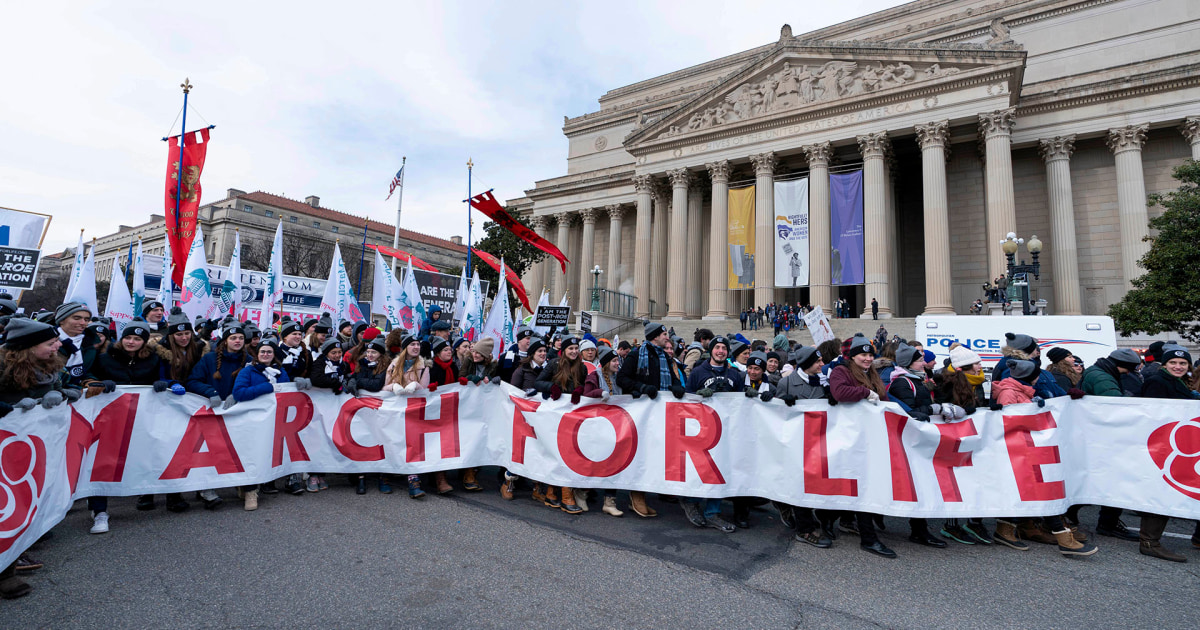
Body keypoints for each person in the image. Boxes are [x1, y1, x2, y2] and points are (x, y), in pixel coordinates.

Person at [0, 317, 73, 599]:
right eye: (50, 342)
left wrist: (63, 392)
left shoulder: (51, 365)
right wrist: (9, 407)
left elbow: (60, 386)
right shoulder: (2, 367)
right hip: (6, 444)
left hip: (25, 452)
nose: (57, 345)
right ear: (28, 347)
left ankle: (8, 565)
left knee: (19, 503)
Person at [828, 336, 896, 558]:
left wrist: (906, 413)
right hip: (849, 437)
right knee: (862, 485)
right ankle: (868, 538)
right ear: (852, 356)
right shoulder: (841, 371)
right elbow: (839, 393)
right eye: (863, 355)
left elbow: (884, 397)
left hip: (869, 437)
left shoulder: (871, 372)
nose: (867, 358)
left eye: (870, 355)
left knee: (861, 484)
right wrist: (864, 393)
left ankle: (832, 520)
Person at [886, 344, 950, 549]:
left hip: (921, 439)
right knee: (917, 483)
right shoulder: (902, 383)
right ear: (908, 363)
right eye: (919, 360)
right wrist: (934, 408)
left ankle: (920, 528)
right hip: (910, 440)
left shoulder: (917, 380)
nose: (924, 363)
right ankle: (919, 530)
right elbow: (910, 413)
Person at [142, 308, 207, 510]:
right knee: (157, 447)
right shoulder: (158, 350)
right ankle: (146, 492)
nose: (184, 337)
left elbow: (202, 372)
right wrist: (169, 382)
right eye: (179, 334)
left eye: (187, 333)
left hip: (189, 401)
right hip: (165, 402)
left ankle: (174, 494)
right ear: (171, 334)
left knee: (180, 449)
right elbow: (155, 374)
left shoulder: (199, 348)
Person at [1136, 344, 1195, 562]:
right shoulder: (1157, 381)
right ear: (1165, 364)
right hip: (1163, 447)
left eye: (1182, 363)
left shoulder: (1176, 381)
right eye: (1173, 363)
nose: (1178, 366)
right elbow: (1153, 416)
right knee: (1162, 492)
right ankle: (1149, 542)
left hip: (1179, 446)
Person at [185, 322, 252, 509]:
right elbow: (192, 381)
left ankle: (241, 485)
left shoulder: (249, 360)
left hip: (237, 412)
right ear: (225, 341)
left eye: (240, 338)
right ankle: (207, 489)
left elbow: (256, 382)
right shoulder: (209, 359)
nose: (237, 341)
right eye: (233, 338)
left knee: (236, 450)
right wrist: (210, 392)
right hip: (211, 411)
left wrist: (238, 393)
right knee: (210, 450)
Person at [934, 345, 992, 545]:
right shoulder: (946, 382)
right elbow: (945, 407)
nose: (980, 366)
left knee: (977, 478)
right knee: (956, 481)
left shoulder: (978, 381)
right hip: (954, 438)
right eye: (976, 363)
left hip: (973, 435)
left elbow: (978, 404)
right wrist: (963, 410)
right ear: (966, 366)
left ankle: (975, 521)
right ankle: (951, 525)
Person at [581, 346, 643, 518]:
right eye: (615, 361)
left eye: (618, 360)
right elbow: (586, 394)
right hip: (596, 426)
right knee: (593, 462)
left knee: (614, 463)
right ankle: (582, 492)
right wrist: (600, 392)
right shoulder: (595, 376)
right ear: (607, 363)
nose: (618, 363)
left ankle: (609, 501)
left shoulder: (619, 378)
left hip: (615, 427)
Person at [533, 335, 589, 514]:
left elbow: (585, 386)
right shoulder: (554, 364)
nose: (573, 351)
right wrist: (552, 387)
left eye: (575, 348)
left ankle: (556, 493)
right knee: (557, 453)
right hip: (555, 415)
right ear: (564, 350)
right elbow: (538, 382)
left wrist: (580, 390)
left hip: (573, 416)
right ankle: (559, 494)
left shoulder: (582, 367)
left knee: (569, 453)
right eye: (570, 349)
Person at [386, 334, 435, 497]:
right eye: (412, 344)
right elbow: (383, 388)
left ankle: (413, 481)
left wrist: (416, 386)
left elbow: (426, 392)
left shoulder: (424, 366)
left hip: (414, 412)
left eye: (418, 344)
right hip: (395, 411)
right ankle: (384, 476)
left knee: (412, 446)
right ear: (405, 347)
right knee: (392, 442)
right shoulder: (393, 365)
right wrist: (393, 386)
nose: (416, 347)